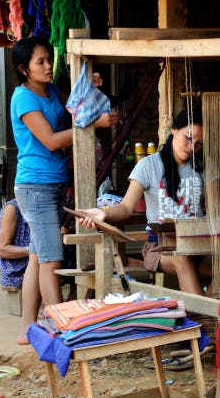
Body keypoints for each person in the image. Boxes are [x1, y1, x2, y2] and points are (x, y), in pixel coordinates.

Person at [11, 36, 119, 345]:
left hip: (52, 182)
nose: (48, 66)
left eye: (49, 59)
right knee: (51, 260)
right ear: (24, 69)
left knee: (38, 256)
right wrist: (93, 124)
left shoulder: (51, 92)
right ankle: (63, 331)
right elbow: (50, 140)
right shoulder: (24, 98)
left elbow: (75, 105)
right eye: (40, 62)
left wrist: (90, 86)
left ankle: (27, 328)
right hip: (36, 186)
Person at [77, 104, 208, 295]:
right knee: (182, 260)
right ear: (174, 130)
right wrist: (104, 213)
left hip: (199, 245)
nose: (192, 147)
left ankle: (211, 311)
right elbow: (126, 207)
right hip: (160, 247)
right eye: (188, 138)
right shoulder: (149, 166)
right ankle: (200, 313)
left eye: (199, 144)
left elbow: (215, 206)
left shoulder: (204, 167)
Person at [0, 199, 31, 289]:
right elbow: (2, 250)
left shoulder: (46, 206)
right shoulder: (12, 208)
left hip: (36, 264)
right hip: (16, 271)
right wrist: (32, 250)